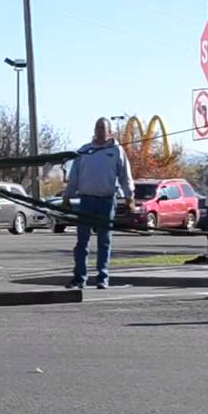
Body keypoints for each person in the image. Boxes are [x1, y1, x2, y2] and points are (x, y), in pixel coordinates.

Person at [64, 117, 135, 289]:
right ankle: (80, 278)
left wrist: (129, 197)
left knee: (104, 241)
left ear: (109, 131)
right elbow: (74, 176)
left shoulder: (116, 150)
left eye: (103, 128)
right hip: (86, 200)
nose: (100, 131)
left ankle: (103, 277)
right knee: (82, 242)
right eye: (97, 128)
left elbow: (125, 175)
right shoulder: (85, 151)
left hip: (107, 200)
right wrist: (67, 196)